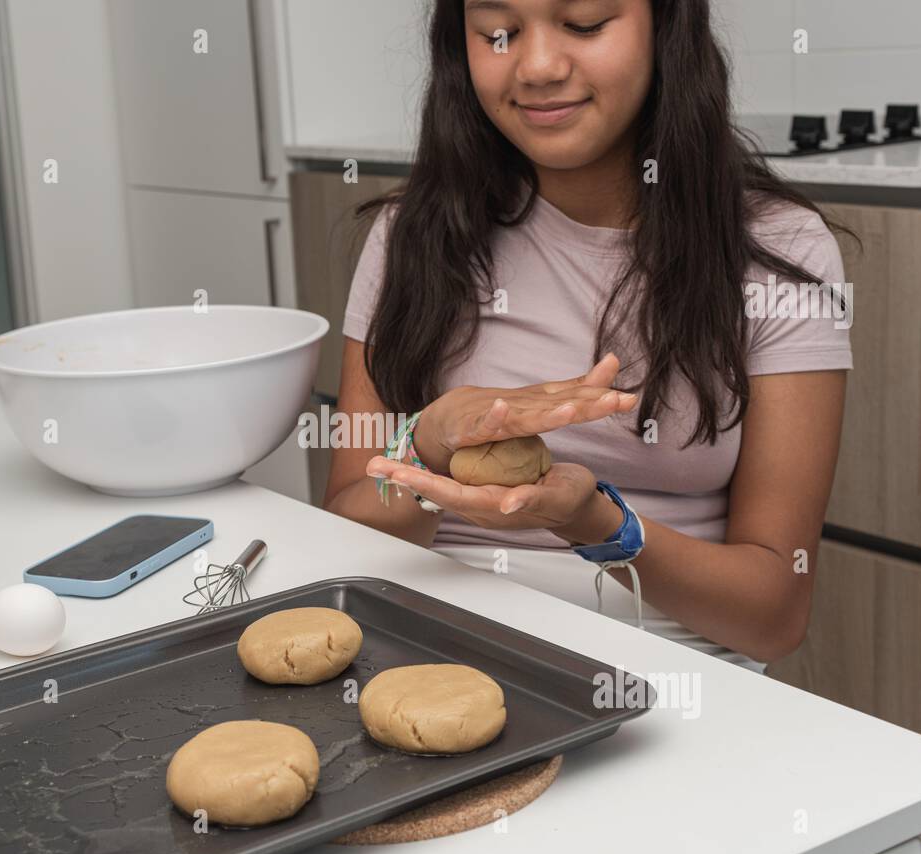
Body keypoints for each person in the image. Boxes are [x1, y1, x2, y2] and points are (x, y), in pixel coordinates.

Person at [322, 0, 853, 673]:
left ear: (665, 28)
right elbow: (342, 533)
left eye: (585, 24)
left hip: (663, 675)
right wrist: (426, 447)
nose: (538, 66)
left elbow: (774, 615)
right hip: (427, 654)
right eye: (498, 33)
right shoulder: (411, 236)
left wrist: (598, 525)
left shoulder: (778, 249)